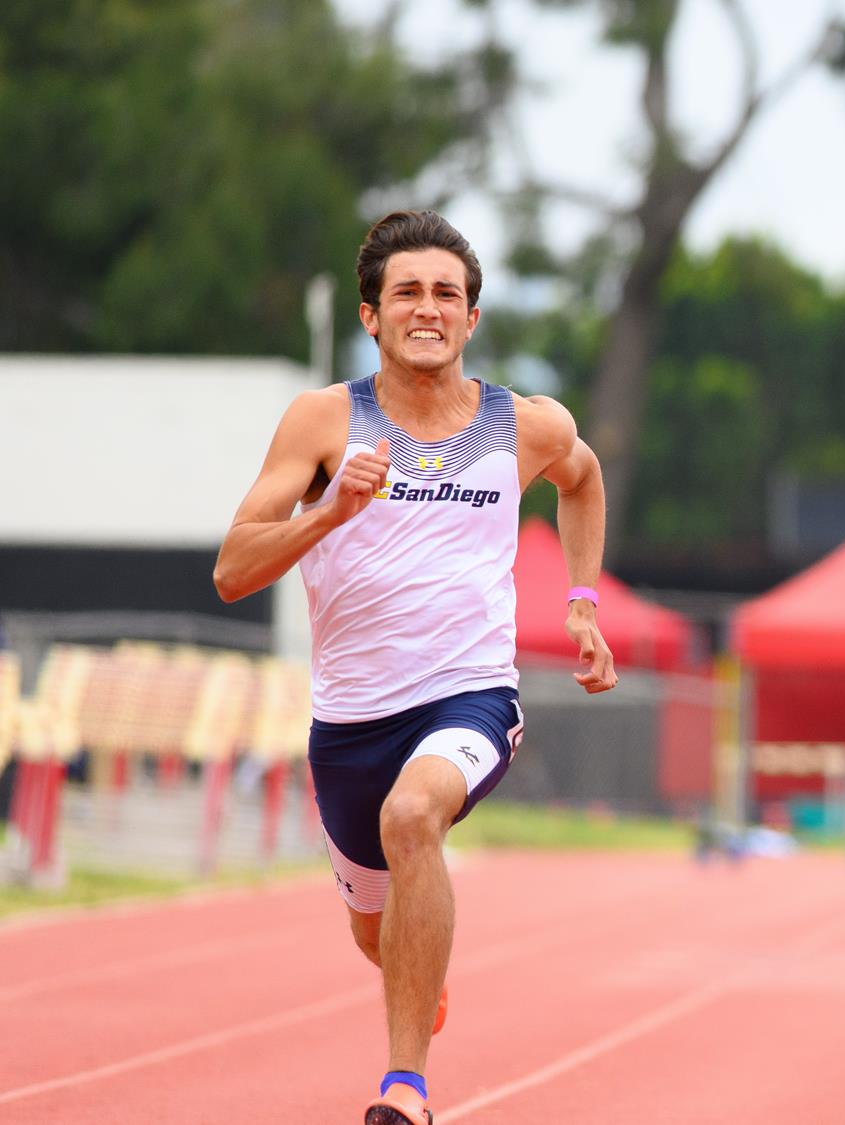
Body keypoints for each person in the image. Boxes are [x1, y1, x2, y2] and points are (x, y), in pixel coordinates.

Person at [213, 210, 617, 1125]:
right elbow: (233, 569)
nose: (427, 309)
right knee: (375, 931)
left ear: (472, 318)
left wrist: (583, 603)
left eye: (446, 294)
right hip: (350, 723)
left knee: (415, 814)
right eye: (407, 293)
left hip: (471, 698)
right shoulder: (325, 419)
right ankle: (415, 977)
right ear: (372, 315)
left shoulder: (528, 424)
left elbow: (584, 481)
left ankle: (405, 1087)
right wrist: (327, 514)